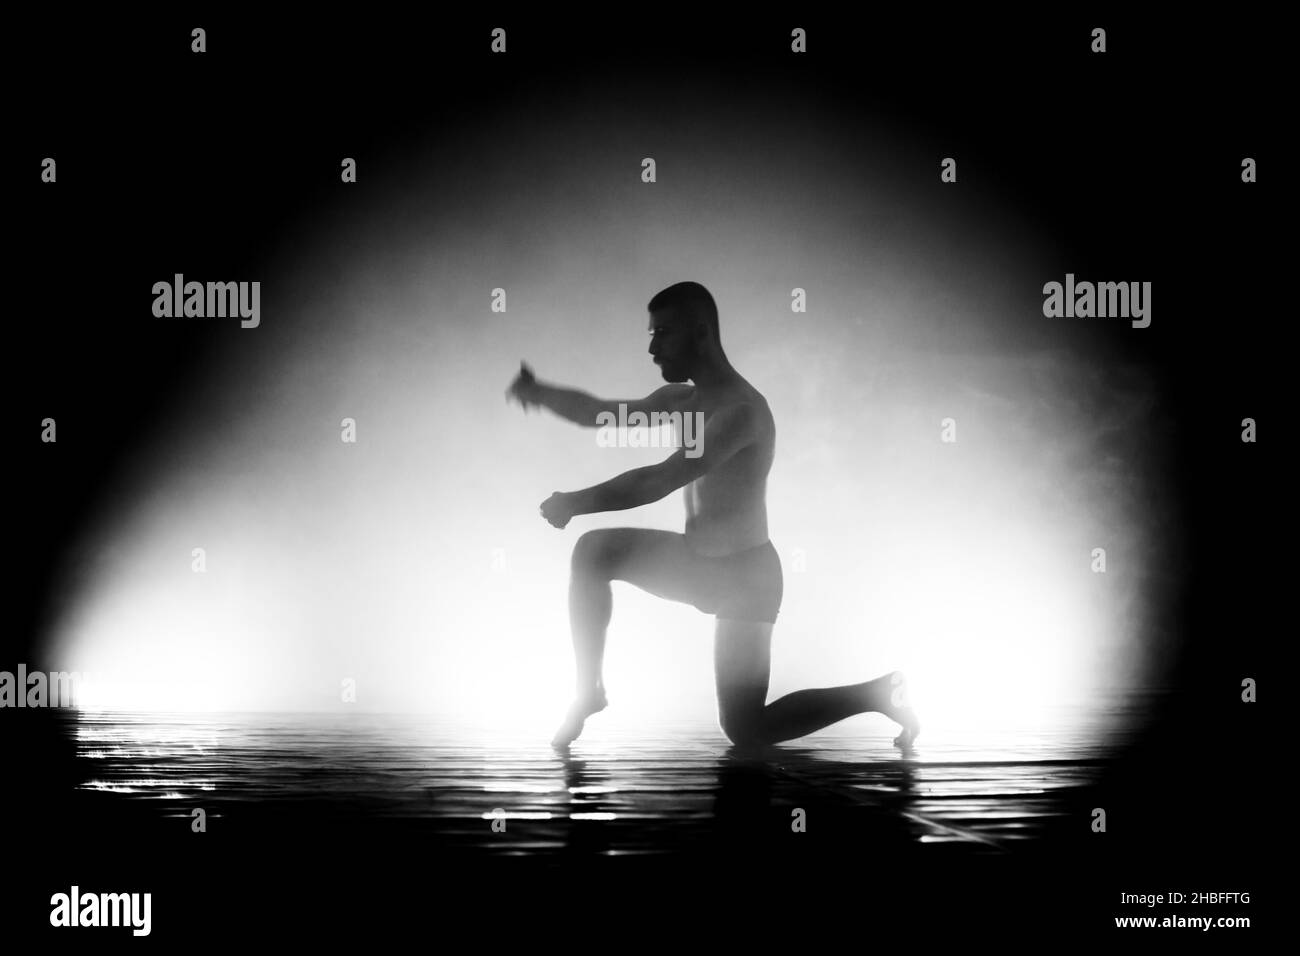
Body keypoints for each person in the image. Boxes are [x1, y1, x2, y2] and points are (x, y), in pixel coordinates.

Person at [506, 281, 920, 751]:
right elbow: (600, 415)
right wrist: (539, 393)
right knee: (594, 552)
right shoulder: (681, 403)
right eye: (651, 334)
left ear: (700, 334)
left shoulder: (741, 414)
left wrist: (576, 502)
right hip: (694, 564)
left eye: (662, 333)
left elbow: (657, 481)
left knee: (746, 730)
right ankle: (589, 691)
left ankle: (880, 692)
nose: (652, 347)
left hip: (747, 579)